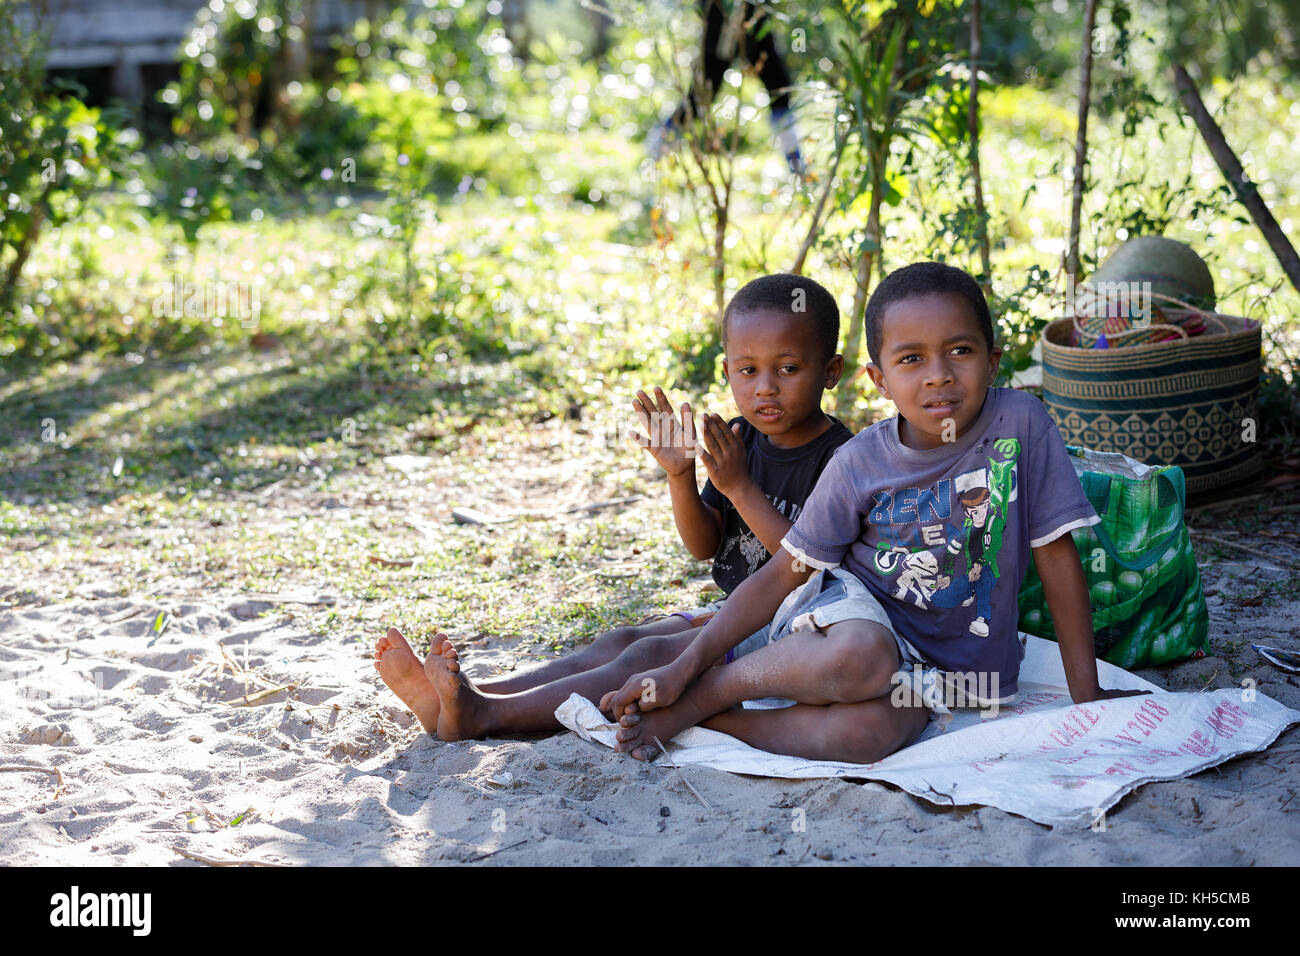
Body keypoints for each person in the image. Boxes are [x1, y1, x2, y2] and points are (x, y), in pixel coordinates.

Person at [600, 261, 1148, 763]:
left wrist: (1088, 695)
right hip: (862, 623)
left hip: (963, 677)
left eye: (960, 351)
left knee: (870, 739)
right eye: (911, 359)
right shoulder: (859, 460)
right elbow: (787, 570)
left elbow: (1055, 555)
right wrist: (685, 667)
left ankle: (715, 719)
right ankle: (712, 690)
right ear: (879, 379)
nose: (938, 375)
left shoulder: (1022, 424)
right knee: (863, 655)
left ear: (994, 360)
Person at [374, 273, 852, 739]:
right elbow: (706, 546)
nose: (765, 387)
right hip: (735, 611)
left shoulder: (842, 459)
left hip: (796, 625)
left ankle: (485, 716)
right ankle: (471, 697)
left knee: (645, 658)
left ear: (830, 372)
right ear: (727, 371)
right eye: (748, 371)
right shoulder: (740, 440)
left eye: (787, 368)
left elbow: (805, 568)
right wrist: (681, 477)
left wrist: (741, 489)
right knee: (623, 640)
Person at [646, 0, 806, 174]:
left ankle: (797, 167)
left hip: (754, 18)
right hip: (722, 21)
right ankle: (655, 157)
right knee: (700, 100)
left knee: (780, 90)